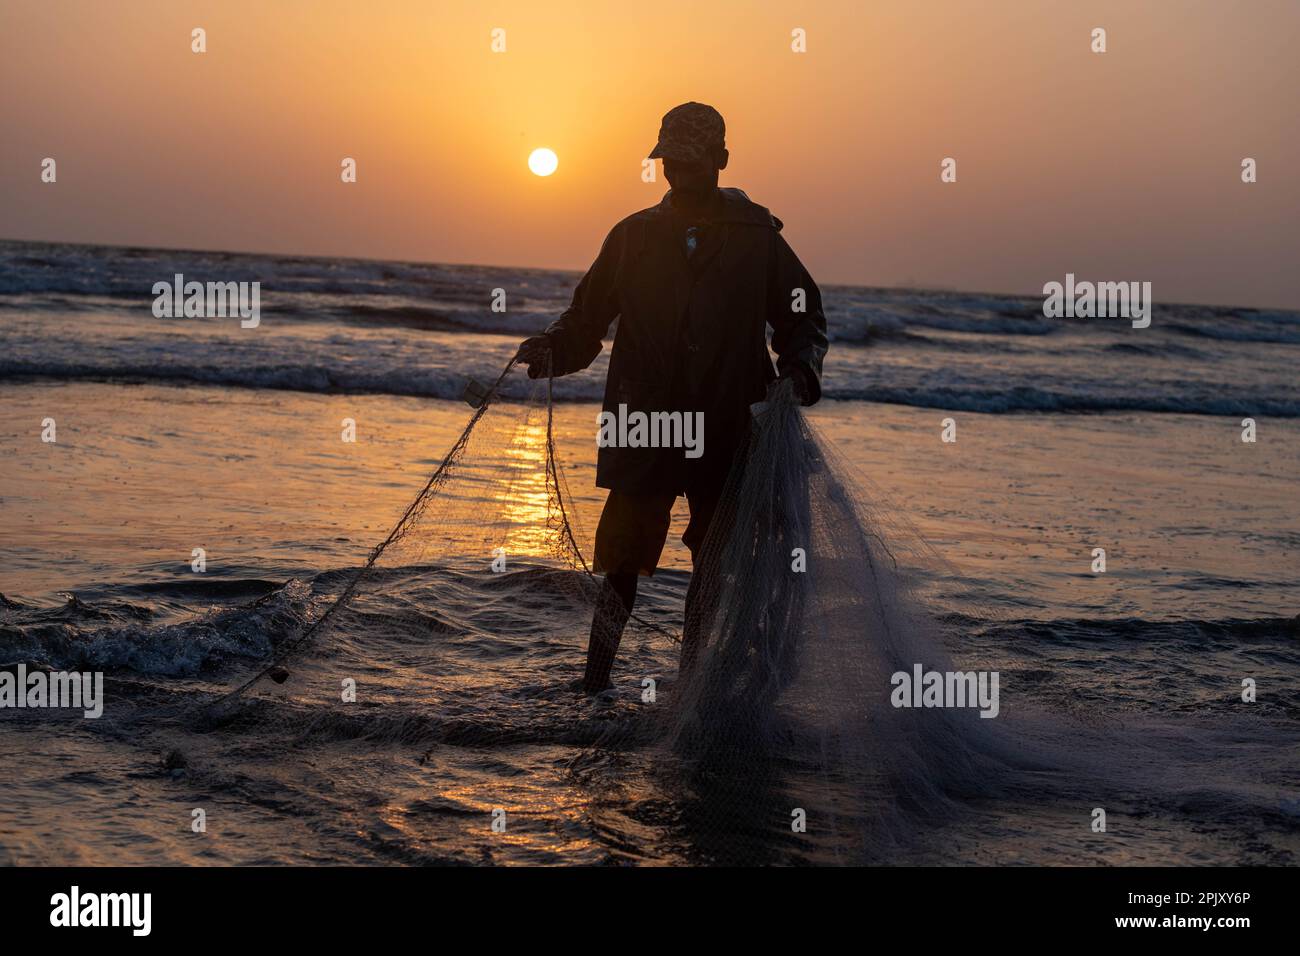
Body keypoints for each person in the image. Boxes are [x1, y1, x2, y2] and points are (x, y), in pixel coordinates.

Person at [517, 102, 827, 693]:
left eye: (691, 163)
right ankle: (594, 685)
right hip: (644, 422)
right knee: (620, 562)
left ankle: (689, 696)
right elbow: (587, 319)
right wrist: (556, 349)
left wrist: (801, 369)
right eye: (669, 164)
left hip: (729, 420)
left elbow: (803, 315)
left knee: (712, 563)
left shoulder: (757, 239)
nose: (678, 176)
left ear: (720, 160)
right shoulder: (632, 236)